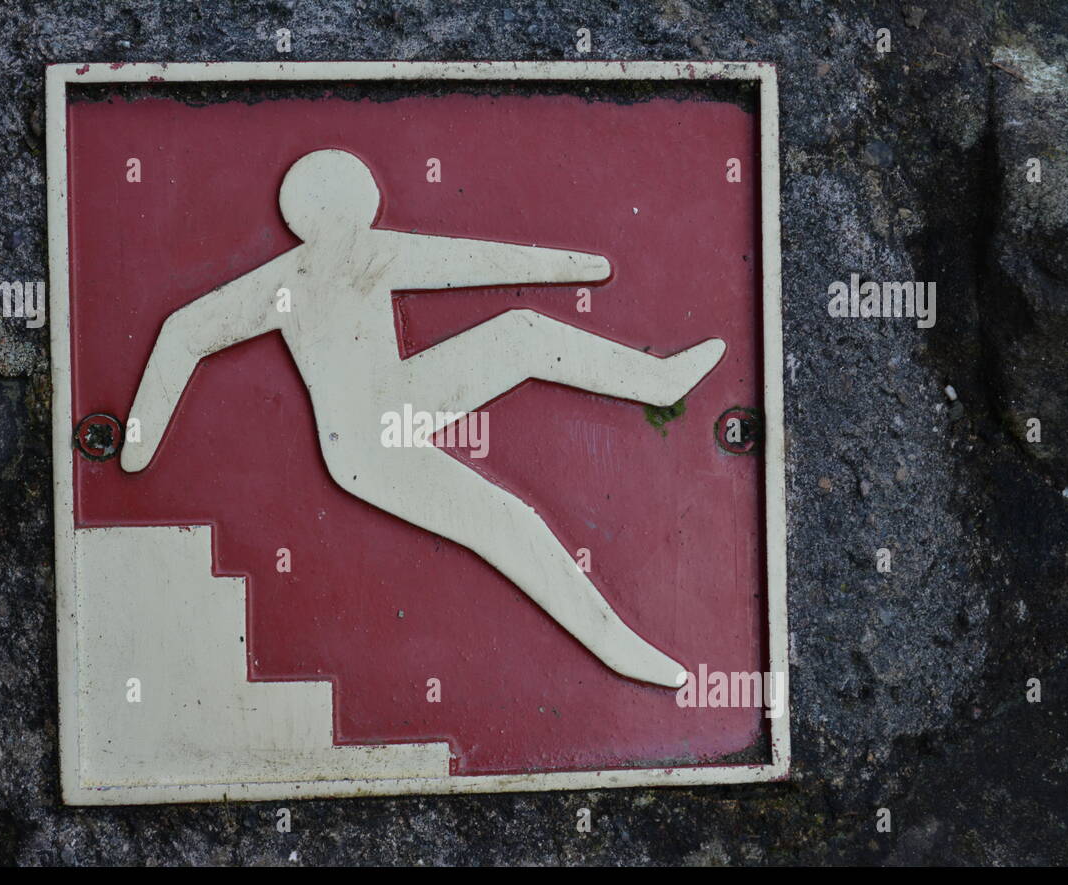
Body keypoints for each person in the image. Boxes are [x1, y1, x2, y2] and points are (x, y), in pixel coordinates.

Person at [121, 149, 725, 687]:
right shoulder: (298, 276)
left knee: (520, 335)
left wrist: (586, 267)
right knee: (506, 519)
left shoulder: (343, 261)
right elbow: (184, 333)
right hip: (365, 444)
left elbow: (480, 263)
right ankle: (619, 650)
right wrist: (138, 444)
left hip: (397, 403)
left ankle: (659, 381)